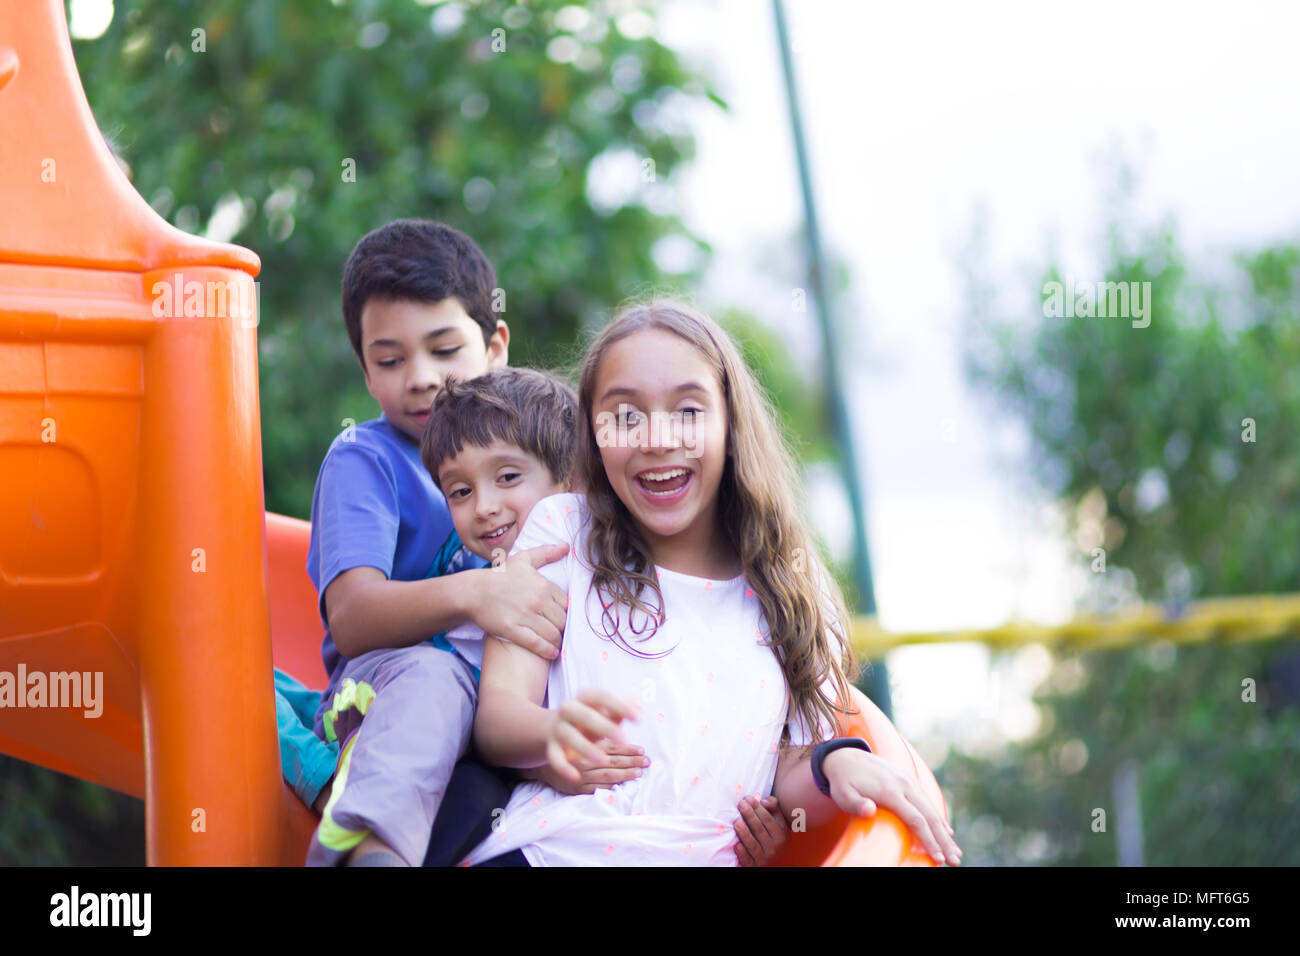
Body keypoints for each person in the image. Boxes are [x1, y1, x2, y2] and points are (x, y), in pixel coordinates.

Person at [464, 299, 965, 866]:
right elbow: (499, 718)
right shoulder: (562, 533)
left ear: (730, 424)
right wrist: (552, 733)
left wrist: (833, 765)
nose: (656, 439)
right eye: (624, 415)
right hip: (548, 852)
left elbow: (790, 773)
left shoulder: (790, 583)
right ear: (594, 434)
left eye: (688, 411)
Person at [424, 367, 793, 866]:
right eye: (460, 492)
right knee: (465, 786)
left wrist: (769, 807)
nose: (485, 507)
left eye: (507, 478)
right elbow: (491, 726)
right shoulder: (499, 580)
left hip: (624, 823)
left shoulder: (591, 562)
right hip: (490, 784)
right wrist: (540, 764)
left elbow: (715, 727)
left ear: (574, 481)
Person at [299, 219, 573, 866]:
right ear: (367, 373)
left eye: (444, 350)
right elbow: (355, 617)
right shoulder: (365, 460)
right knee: (435, 673)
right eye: (391, 360)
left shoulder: (531, 444)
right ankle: (368, 849)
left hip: (498, 718)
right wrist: (478, 592)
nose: (420, 377)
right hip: (379, 697)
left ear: (495, 344)